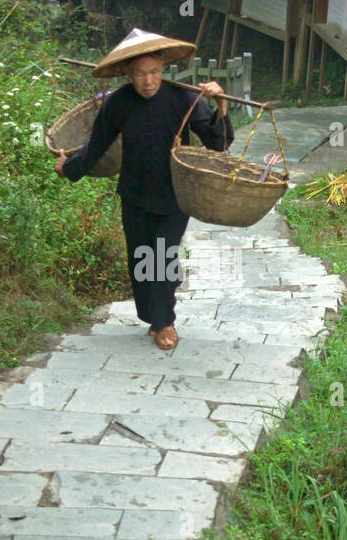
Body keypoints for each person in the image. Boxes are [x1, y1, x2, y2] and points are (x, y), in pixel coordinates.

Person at [54, 28, 234, 349]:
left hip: (175, 196)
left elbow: (218, 143)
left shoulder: (183, 98)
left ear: (163, 68)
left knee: (161, 256)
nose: (148, 81)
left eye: (154, 72)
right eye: (140, 74)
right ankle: (155, 315)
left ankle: (165, 322)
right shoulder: (117, 103)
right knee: (141, 260)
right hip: (135, 194)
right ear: (127, 73)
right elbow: (96, 147)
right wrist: (69, 167)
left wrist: (220, 103)